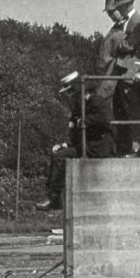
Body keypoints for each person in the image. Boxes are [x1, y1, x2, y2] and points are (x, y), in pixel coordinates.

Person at [41, 68, 116, 208]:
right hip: (85, 145)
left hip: (99, 145)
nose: (71, 97)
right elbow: (74, 132)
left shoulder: (97, 102)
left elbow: (105, 118)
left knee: (60, 157)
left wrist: (84, 121)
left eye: (71, 93)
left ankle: (54, 197)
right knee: (58, 155)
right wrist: (66, 144)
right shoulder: (78, 107)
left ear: (79, 91)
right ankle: (54, 197)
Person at [108, 0, 140, 154]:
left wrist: (118, 42)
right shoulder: (128, 21)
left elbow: (128, 46)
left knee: (134, 111)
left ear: (125, 5)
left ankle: (139, 147)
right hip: (124, 72)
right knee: (128, 111)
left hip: (131, 71)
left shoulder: (139, 22)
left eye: (119, 6)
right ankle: (136, 146)